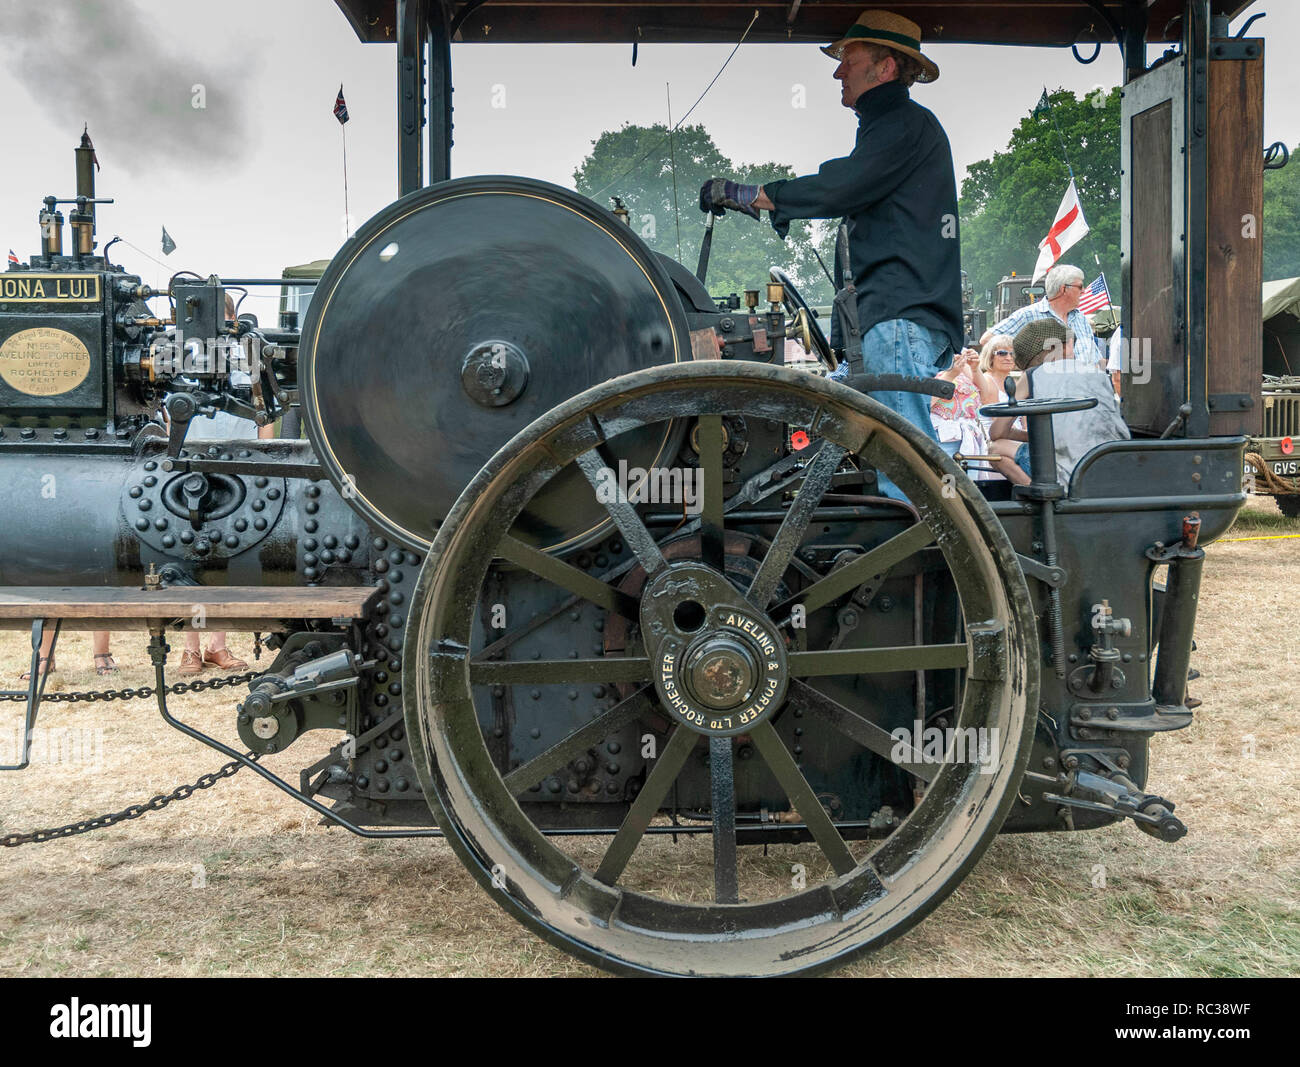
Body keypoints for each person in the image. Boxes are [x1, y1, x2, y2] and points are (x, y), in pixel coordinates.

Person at [698, 9, 961, 498]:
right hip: (893, 315)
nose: (838, 71)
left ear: (884, 68)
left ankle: (923, 550)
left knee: (902, 463)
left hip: (898, 316)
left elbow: (841, 185)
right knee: (897, 455)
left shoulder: (903, 125)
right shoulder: (894, 129)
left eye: (848, 58)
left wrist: (748, 194)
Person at [172, 294, 273, 675]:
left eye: (221, 315)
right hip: (194, 465)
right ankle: (191, 649)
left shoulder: (247, 358)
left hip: (238, 463)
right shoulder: (183, 357)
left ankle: (218, 646)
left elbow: (264, 412)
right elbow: (173, 411)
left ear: (231, 318)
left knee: (228, 555)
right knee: (190, 557)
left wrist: (263, 458)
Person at [988, 319, 1130, 487]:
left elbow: (996, 433)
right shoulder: (1098, 373)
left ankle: (1047, 496)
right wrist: (1031, 436)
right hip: (1111, 462)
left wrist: (1025, 436)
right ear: (1065, 345)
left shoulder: (1032, 375)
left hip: (1065, 473)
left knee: (995, 449)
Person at [980, 263, 1104, 367]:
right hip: (1047, 391)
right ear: (1064, 289)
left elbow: (1095, 360)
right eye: (1080, 286)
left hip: (1085, 390)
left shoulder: (1081, 319)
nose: (1084, 291)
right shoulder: (1028, 315)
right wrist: (1019, 362)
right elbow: (987, 339)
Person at [930, 347, 996, 481]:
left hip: (969, 435)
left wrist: (975, 368)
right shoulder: (924, 355)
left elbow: (984, 396)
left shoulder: (960, 354)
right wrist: (949, 375)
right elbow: (925, 402)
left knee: (968, 487)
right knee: (945, 486)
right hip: (941, 436)